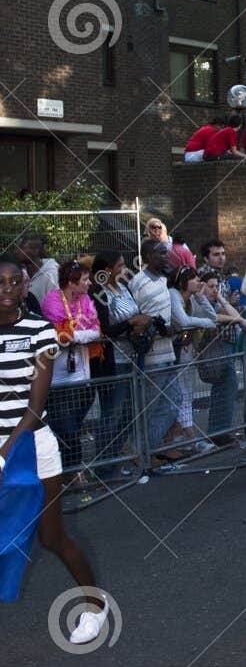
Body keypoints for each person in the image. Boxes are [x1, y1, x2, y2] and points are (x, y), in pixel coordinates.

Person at [0, 256, 108, 640]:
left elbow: (35, 405)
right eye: (1, 282)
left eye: (15, 282)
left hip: (33, 446)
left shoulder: (40, 330)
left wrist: (4, 453)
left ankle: (95, 607)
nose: (8, 289)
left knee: (51, 536)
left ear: (25, 287)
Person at [40, 262, 102, 483]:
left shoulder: (86, 300)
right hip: (56, 374)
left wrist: (74, 336)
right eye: (85, 279)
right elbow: (57, 336)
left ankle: (71, 469)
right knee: (65, 425)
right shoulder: (52, 301)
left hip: (80, 371)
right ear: (71, 282)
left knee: (72, 424)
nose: (89, 283)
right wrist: (78, 335)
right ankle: (73, 471)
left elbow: (95, 331)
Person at [89, 252, 147, 475]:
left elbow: (135, 313)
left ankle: (115, 454)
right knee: (111, 411)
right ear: (107, 270)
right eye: (120, 265)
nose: (124, 269)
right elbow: (105, 328)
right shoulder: (99, 293)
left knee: (131, 410)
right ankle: (104, 466)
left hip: (132, 355)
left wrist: (141, 321)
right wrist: (131, 322)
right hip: (114, 359)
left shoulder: (124, 287)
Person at [129, 241, 185, 468]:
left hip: (168, 350)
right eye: (161, 253)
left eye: (166, 252)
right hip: (150, 355)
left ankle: (151, 447)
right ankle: (140, 452)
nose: (166, 256)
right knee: (150, 405)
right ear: (148, 256)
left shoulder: (165, 279)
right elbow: (134, 315)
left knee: (174, 400)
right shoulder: (137, 282)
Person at [195, 268, 246, 444]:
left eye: (217, 286)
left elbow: (236, 316)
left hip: (224, 347)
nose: (215, 290)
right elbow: (225, 317)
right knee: (226, 385)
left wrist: (219, 297)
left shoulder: (215, 301)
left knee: (226, 386)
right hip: (214, 349)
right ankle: (218, 431)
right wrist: (238, 319)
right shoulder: (201, 304)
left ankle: (219, 430)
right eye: (211, 286)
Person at [169, 267, 218, 446]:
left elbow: (212, 316)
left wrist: (200, 296)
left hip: (187, 350)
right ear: (183, 281)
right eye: (194, 278)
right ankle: (186, 436)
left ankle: (186, 435)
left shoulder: (191, 298)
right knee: (178, 393)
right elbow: (184, 321)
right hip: (174, 351)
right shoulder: (173, 294)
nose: (199, 281)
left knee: (187, 392)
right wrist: (207, 323)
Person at [21, 234, 59, 305]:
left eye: (22, 248)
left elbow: (57, 303)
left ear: (35, 251)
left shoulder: (52, 274)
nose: (17, 251)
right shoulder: (22, 272)